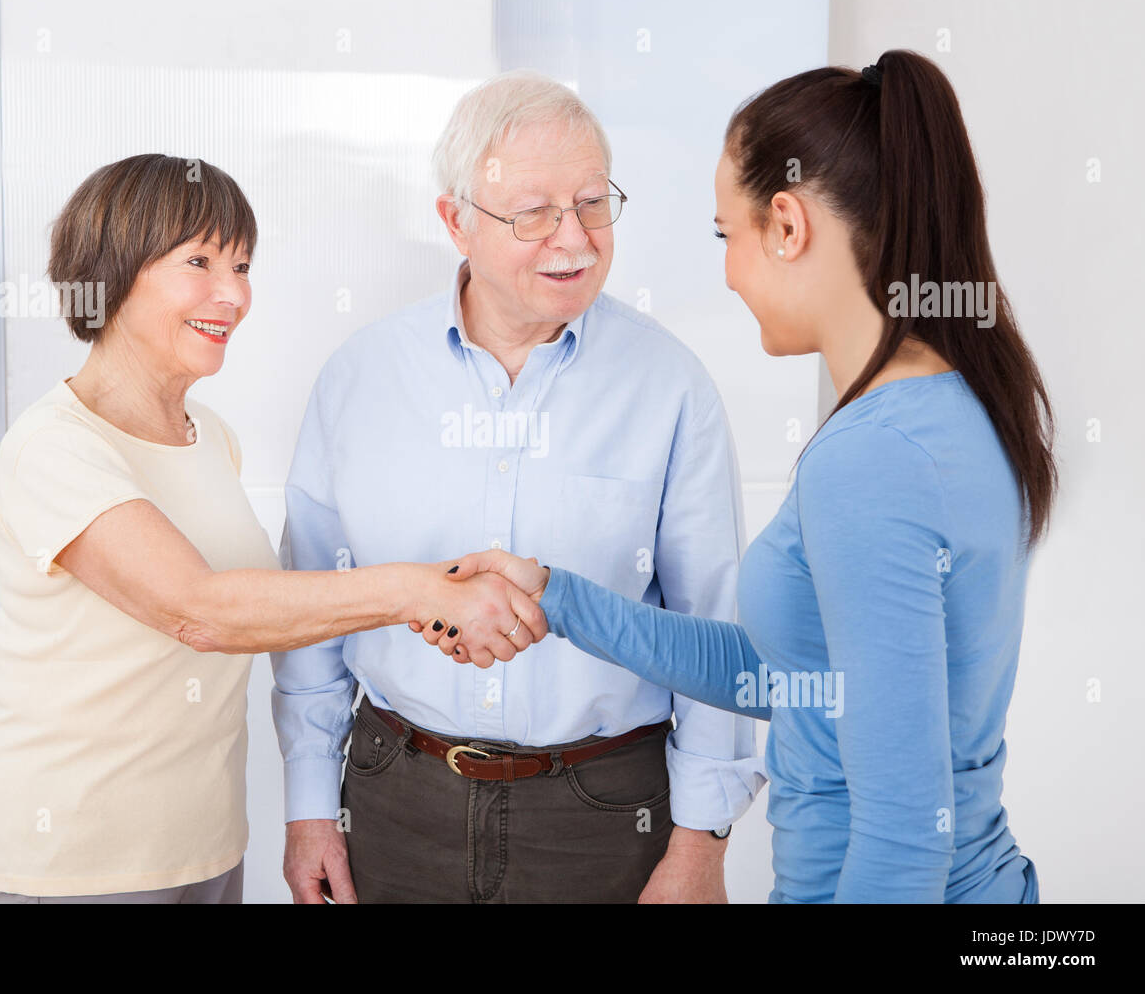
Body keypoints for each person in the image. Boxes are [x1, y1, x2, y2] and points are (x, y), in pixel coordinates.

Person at [421, 51, 1057, 904]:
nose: (727, 272)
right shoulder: (959, 406)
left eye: (730, 235)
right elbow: (789, 676)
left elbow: (906, 829)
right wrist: (554, 594)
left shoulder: (870, 460)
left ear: (787, 225)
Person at [0, 153, 543, 904]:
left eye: (241, 266)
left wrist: (438, 600)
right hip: (73, 859)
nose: (232, 294)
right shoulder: (56, 447)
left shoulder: (209, 435)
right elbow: (199, 611)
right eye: (198, 261)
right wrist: (415, 592)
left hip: (200, 847)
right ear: (113, 268)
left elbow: (265, 604)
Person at [273, 71, 766, 904]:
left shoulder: (671, 386)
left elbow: (712, 626)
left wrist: (700, 847)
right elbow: (314, 611)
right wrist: (311, 810)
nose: (573, 239)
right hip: (397, 796)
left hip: (605, 811)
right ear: (455, 221)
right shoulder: (360, 378)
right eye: (532, 213)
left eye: (592, 203)